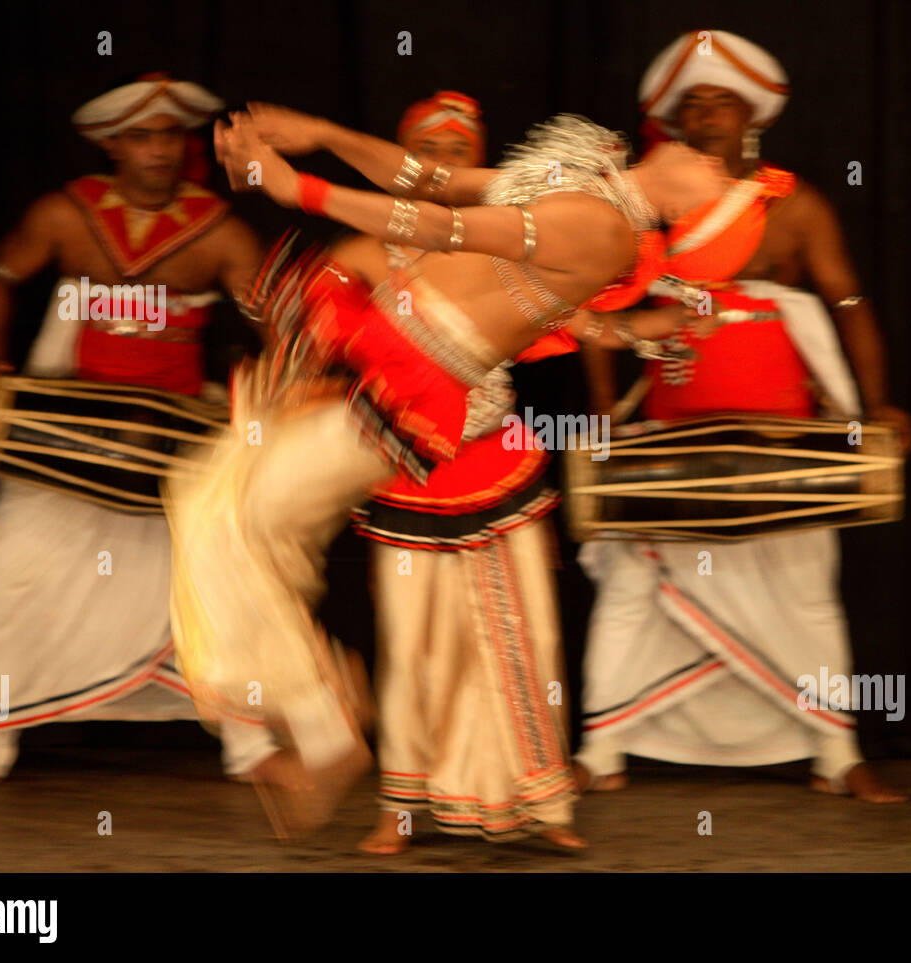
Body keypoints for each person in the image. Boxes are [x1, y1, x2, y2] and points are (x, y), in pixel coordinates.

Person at [162, 102, 725, 837]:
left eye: (719, 176)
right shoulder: (585, 180)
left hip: (417, 395)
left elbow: (440, 226)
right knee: (214, 503)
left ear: (684, 209)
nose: (712, 159)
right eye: (710, 158)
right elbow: (433, 185)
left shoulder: (604, 228)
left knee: (225, 513)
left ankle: (346, 729)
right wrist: (322, 134)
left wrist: (296, 187)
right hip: (387, 373)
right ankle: (327, 724)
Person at [0, 75, 281, 795]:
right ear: (112, 144)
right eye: (141, 136)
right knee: (5, 574)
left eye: (170, 135)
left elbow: (277, 324)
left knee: (224, 580)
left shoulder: (220, 232)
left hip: (173, 436)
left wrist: (270, 388)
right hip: (66, 435)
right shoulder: (66, 214)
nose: (158, 150)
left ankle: (252, 745)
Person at [575, 31, 911, 803]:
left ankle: (838, 752)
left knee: (805, 592)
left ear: (751, 114)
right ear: (675, 121)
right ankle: (601, 748)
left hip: (784, 437)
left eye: (720, 102)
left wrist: (876, 403)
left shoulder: (794, 205)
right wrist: (601, 411)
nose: (705, 115)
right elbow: (596, 307)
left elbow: (849, 304)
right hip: (670, 430)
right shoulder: (645, 206)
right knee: (632, 586)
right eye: (691, 104)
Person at [325, 92, 584, 852]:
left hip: (499, 462)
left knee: (525, 634)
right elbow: (313, 345)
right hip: (405, 468)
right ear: (401, 163)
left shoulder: (507, 246)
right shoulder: (363, 253)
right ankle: (400, 807)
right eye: (426, 151)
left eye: (457, 153)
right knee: (412, 644)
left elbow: (574, 325)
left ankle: (542, 804)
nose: (440, 165)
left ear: (478, 167)